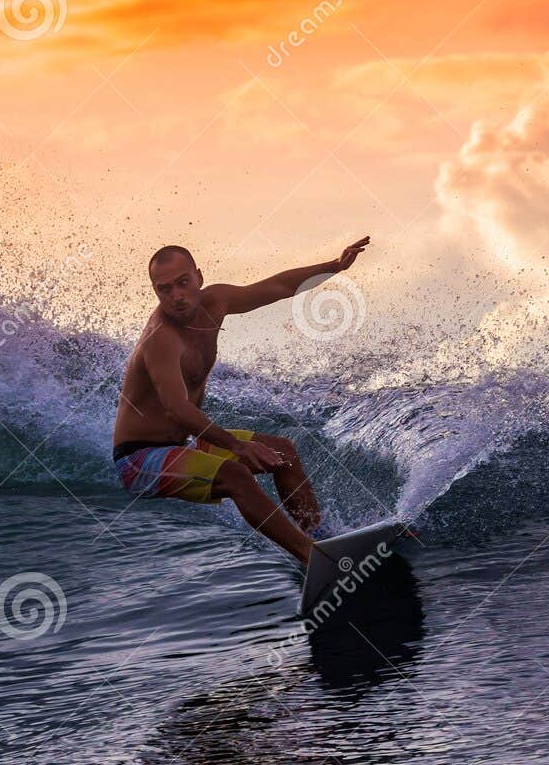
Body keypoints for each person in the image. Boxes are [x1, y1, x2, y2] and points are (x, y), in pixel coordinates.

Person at [111, 237, 370, 566]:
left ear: (199, 278)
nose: (176, 296)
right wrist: (236, 445)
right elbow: (176, 409)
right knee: (236, 475)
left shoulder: (216, 301)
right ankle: (311, 557)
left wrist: (334, 266)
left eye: (183, 283)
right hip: (139, 458)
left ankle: (321, 539)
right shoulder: (161, 339)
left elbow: (278, 286)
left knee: (283, 453)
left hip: (181, 446)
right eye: (164, 289)